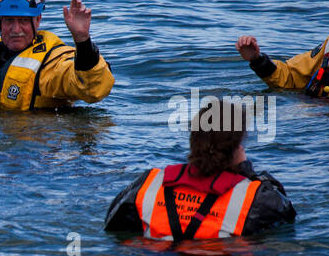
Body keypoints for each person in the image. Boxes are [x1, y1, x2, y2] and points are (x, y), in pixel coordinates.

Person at [104, 101, 295, 240]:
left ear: (192, 138)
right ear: (238, 146)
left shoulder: (148, 183)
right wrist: (247, 171)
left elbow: (112, 226)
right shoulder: (256, 197)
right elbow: (287, 214)